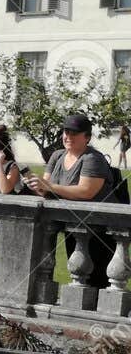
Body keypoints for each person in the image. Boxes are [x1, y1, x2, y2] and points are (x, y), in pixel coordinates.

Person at [24, 113, 120, 289]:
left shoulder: (92, 158)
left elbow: (86, 192)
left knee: (97, 279)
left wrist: (48, 186)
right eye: (66, 132)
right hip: (73, 224)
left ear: (87, 137)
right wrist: (34, 184)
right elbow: (45, 189)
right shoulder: (57, 156)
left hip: (99, 228)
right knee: (80, 276)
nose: (68, 137)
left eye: (74, 133)